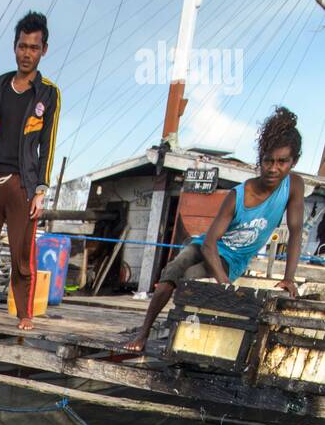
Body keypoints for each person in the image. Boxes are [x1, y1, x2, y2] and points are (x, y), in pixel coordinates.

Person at [118, 106, 306, 356]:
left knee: (190, 277)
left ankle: (176, 330)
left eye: (282, 162)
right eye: (268, 161)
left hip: (231, 259)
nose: (273, 168)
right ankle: (144, 332)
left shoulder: (293, 186)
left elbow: (295, 233)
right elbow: (209, 244)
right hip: (207, 246)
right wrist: (226, 286)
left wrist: (289, 277)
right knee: (173, 270)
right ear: (260, 160)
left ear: (293, 162)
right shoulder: (238, 195)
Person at [0, 11, 61, 332]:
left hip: (24, 183)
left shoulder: (48, 93)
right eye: (22, 46)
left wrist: (41, 189)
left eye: (33, 48)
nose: (26, 53)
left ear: (43, 50)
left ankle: (24, 314)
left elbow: (48, 144)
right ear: (14, 46)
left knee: (22, 254)